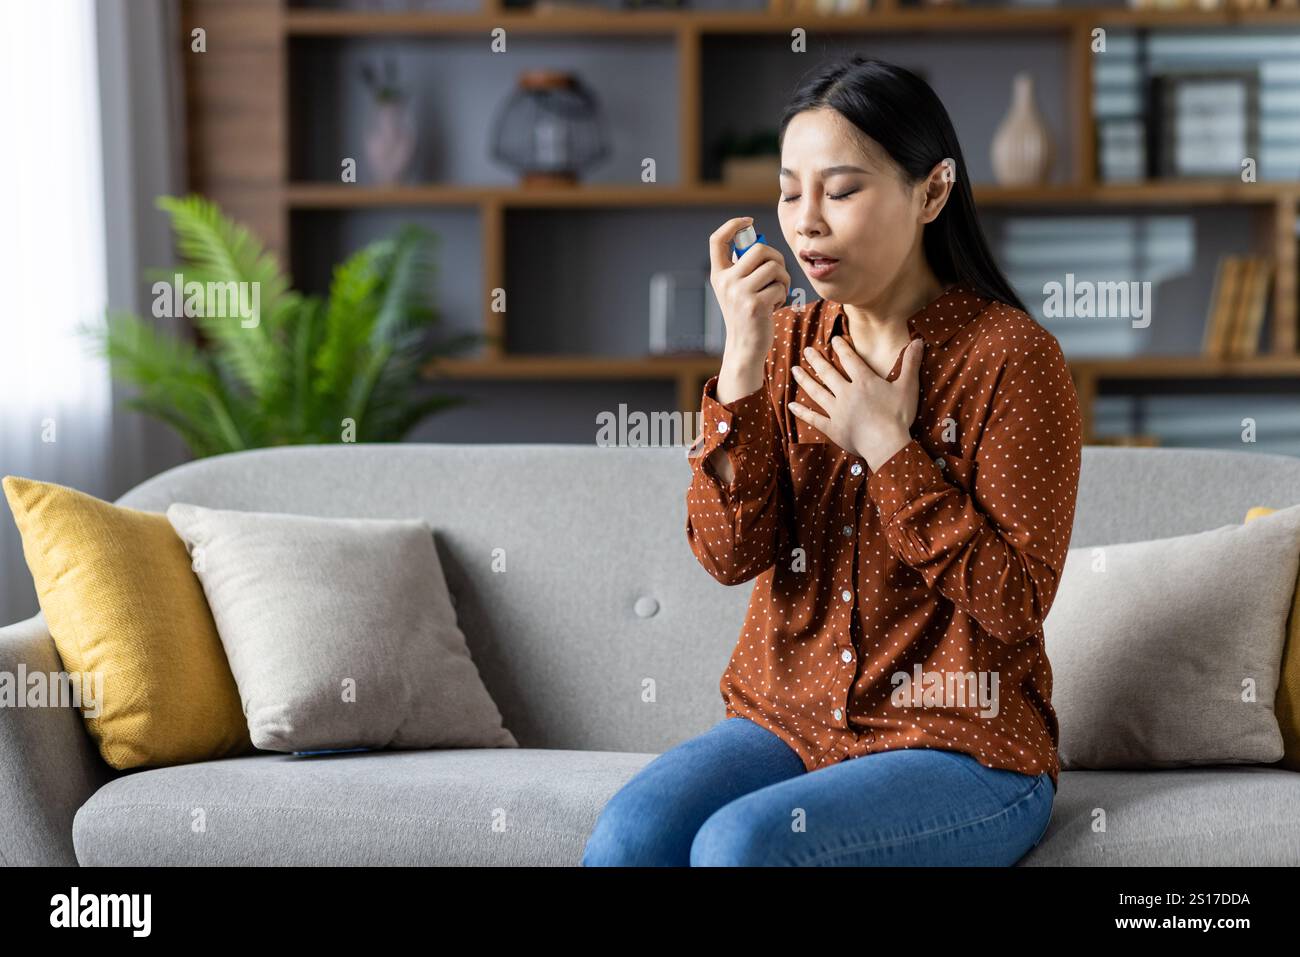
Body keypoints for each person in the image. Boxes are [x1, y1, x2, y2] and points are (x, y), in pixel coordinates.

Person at [582, 55, 1082, 867]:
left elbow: (1017, 601)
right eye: (789, 191)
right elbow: (726, 553)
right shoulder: (782, 344)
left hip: (960, 742)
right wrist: (741, 362)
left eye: (841, 190)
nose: (806, 221)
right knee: (628, 838)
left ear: (933, 191)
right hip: (787, 720)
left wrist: (889, 448)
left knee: (741, 847)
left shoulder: (1012, 358)